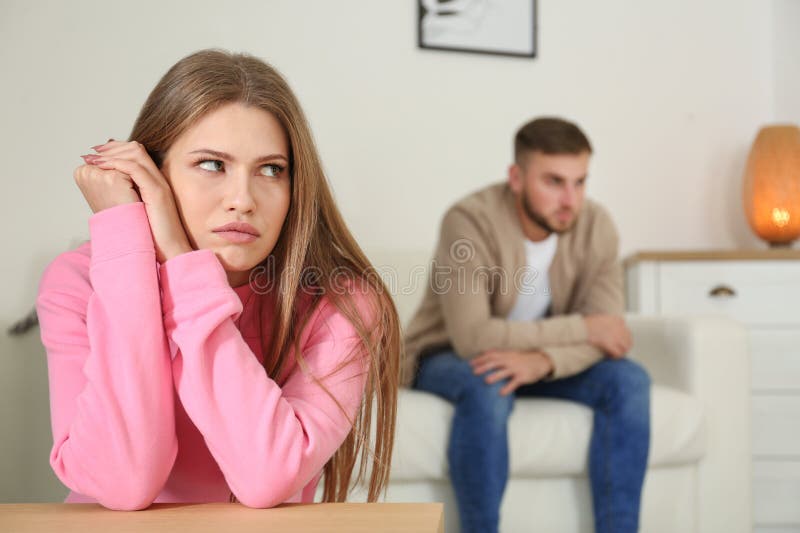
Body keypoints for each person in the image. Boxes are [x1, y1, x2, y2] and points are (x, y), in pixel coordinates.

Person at [36, 49, 401, 511]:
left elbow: (267, 476)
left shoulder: (341, 303)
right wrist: (129, 244)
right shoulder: (76, 282)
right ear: (152, 171)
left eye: (271, 169)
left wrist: (180, 261)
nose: (243, 199)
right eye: (212, 164)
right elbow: (122, 483)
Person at [403, 117, 651, 533]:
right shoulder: (467, 221)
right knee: (489, 381)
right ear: (516, 178)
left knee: (629, 381)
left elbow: (606, 331)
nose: (570, 200)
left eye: (580, 182)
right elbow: (473, 338)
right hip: (445, 356)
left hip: (541, 364)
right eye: (554, 181)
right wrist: (584, 329)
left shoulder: (596, 226)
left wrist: (544, 362)